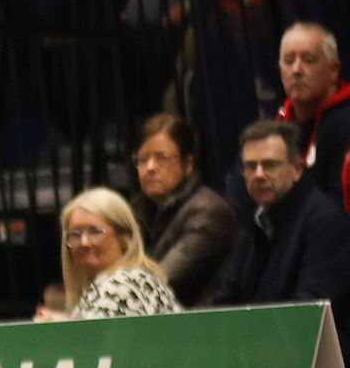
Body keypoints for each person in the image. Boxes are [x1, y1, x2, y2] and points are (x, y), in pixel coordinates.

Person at [214, 122, 350, 342]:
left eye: (269, 165)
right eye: (250, 166)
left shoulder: (325, 222)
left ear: (297, 169)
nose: (258, 174)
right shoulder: (254, 221)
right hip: (260, 348)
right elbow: (226, 300)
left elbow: (308, 315)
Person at [126, 114, 237, 306]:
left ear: (188, 164)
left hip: (199, 325)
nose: (150, 167)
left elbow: (160, 281)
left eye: (162, 157)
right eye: (143, 159)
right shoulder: (138, 209)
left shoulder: (208, 212)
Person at [59, 187, 181, 319]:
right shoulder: (132, 279)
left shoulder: (124, 286)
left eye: (95, 231)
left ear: (124, 238)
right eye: (75, 234)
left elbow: (95, 338)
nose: (84, 242)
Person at [275, 23, 350, 213]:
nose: (297, 70)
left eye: (308, 60)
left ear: (334, 70)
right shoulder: (278, 122)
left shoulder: (344, 124)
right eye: (289, 61)